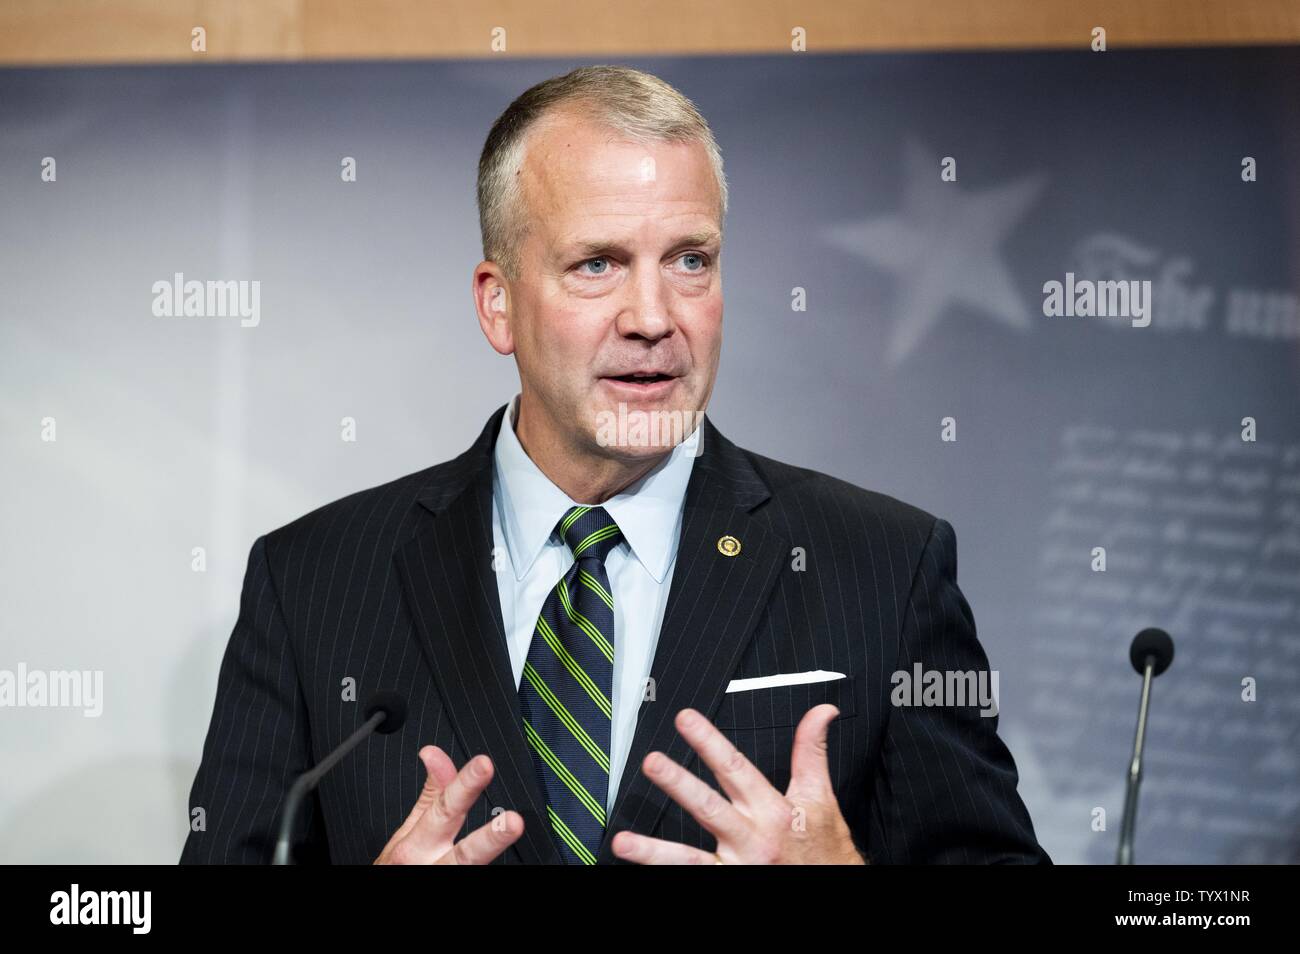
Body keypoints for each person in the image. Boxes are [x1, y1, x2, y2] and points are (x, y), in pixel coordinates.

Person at [180, 64, 1049, 865]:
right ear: (499, 306)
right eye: (597, 264)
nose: (653, 316)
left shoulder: (883, 567)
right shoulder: (313, 584)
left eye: (690, 261)